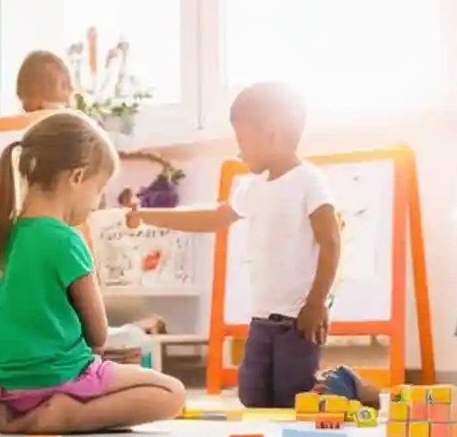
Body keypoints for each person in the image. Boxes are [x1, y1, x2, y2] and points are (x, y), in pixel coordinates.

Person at [128, 81, 341, 408]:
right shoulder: (251, 187)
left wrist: (316, 304)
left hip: (298, 321)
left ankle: (347, 389)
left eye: (243, 140)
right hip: (261, 321)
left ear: (272, 131)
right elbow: (213, 218)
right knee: (252, 395)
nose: (239, 151)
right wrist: (146, 215)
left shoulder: (308, 181)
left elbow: (331, 243)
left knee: (292, 398)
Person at [0, 111, 185, 434]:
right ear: (77, 177)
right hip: (60, 377)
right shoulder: (65, 239)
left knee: (62, 381)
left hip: (8, 384)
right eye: (99, 188)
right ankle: (64, 416)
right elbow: (98, 334)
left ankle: (6, 409)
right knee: (171, 393)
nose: (97, 201)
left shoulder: (3, 239)